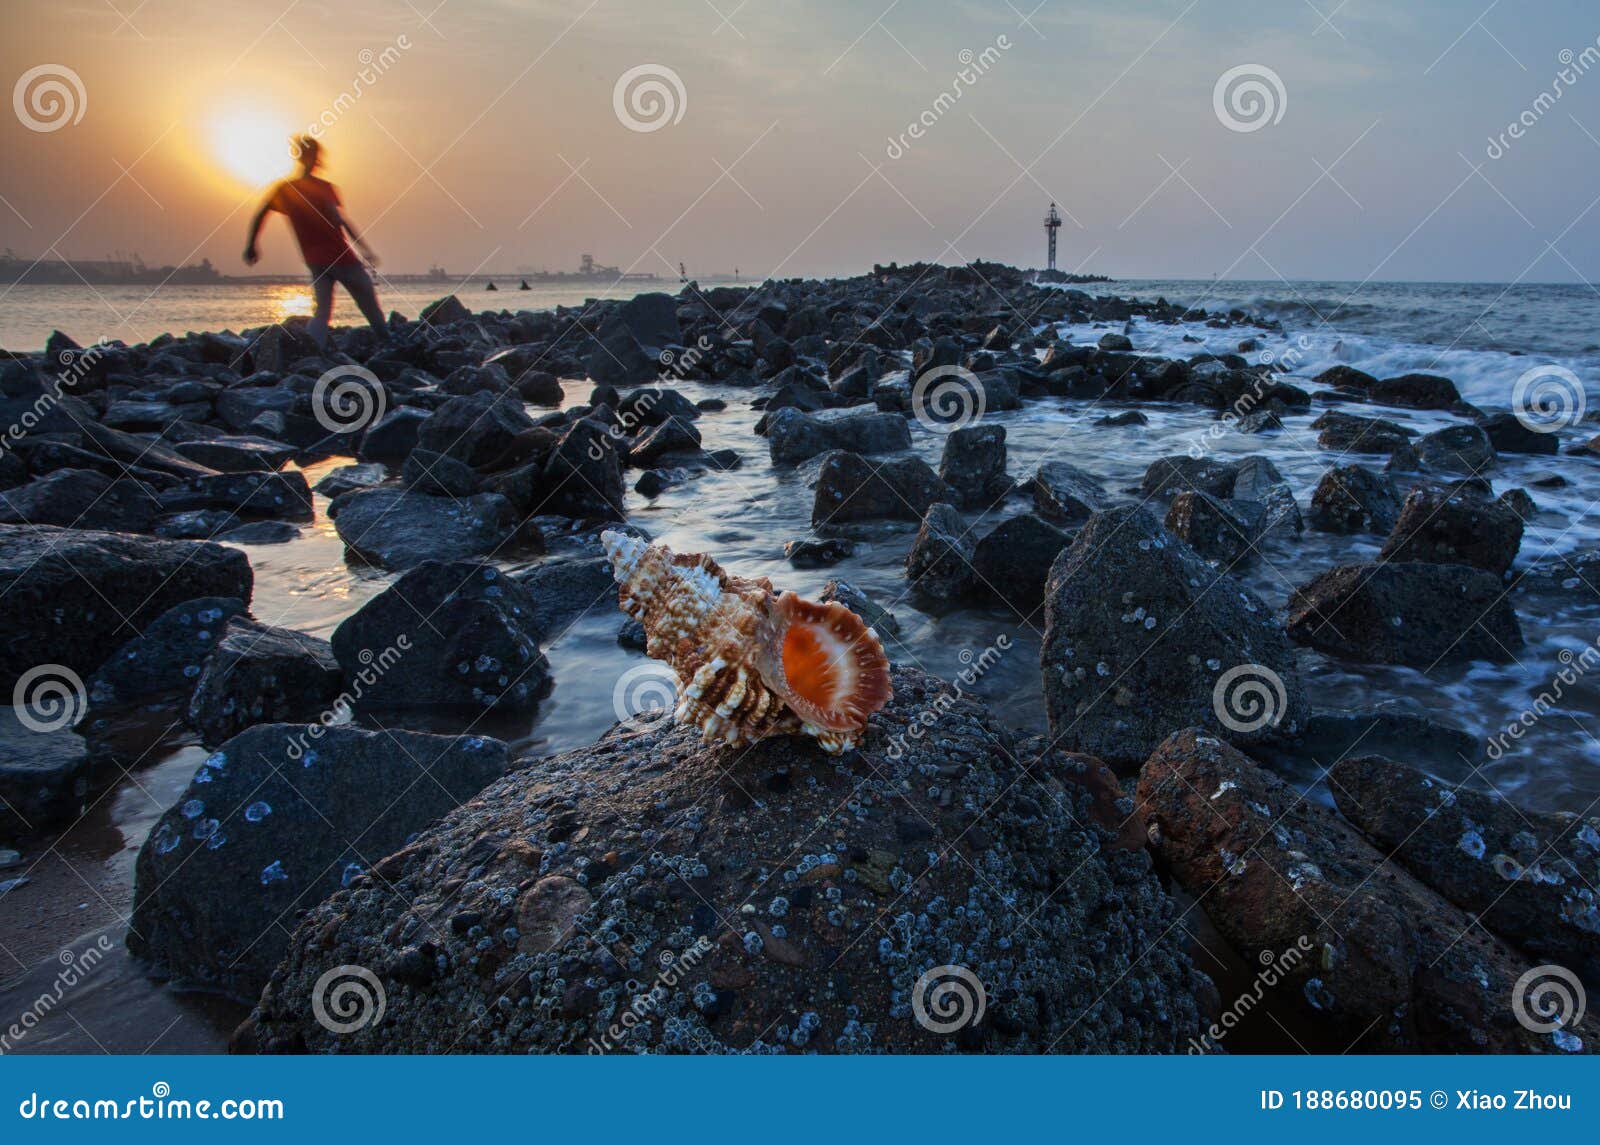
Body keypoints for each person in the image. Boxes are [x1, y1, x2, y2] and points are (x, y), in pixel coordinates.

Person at [243, 135, 388, 347]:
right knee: (369, 305)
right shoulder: (323, 188)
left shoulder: (285, 189)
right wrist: (365, 248)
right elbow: (340, 221)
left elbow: (261, 214)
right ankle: (387, 342)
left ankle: (312, 352)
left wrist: (251, 245)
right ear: (314, 158)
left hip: (316, 259)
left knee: (322, 311)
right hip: (341, 258)